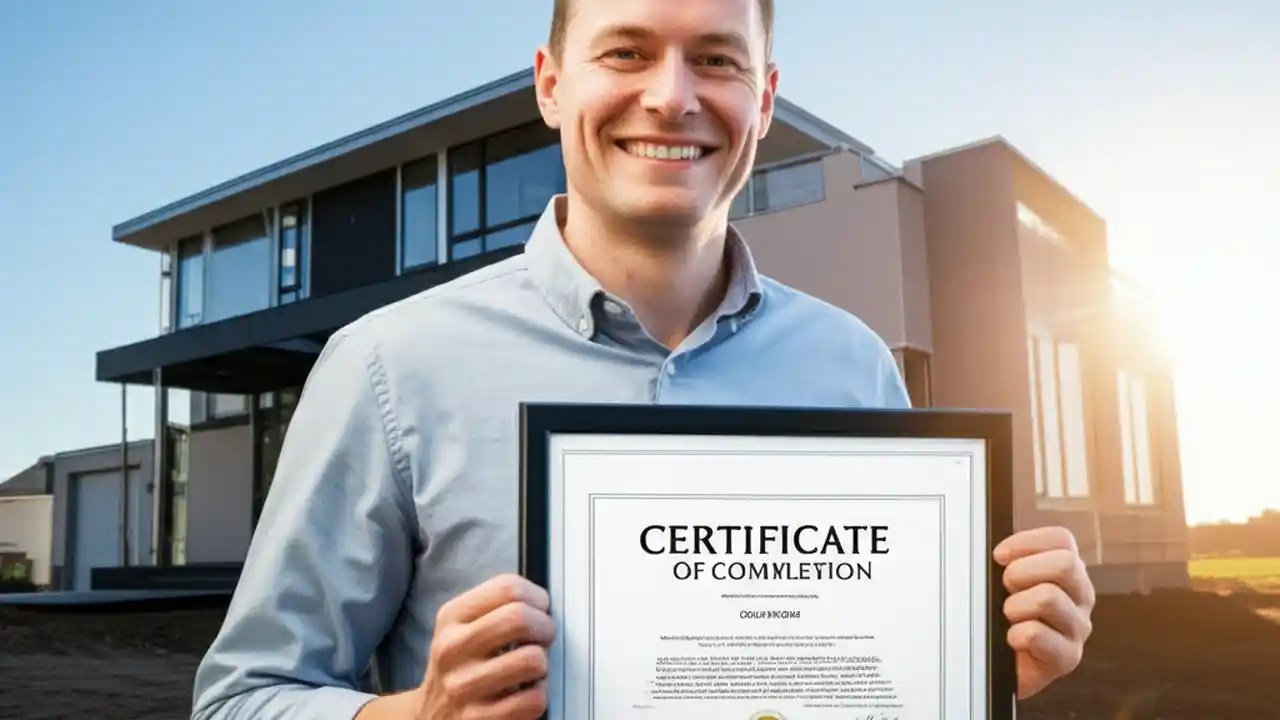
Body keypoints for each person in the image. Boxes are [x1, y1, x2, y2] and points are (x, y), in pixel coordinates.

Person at [191, 0, 1096, 717]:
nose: (671, 97)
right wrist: (418, 716)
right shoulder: (388, 367)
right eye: (626, 52)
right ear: (551, 85)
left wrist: (977, 673)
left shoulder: (853, 367)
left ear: (765, 99)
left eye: (717, 59)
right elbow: (242, 699)